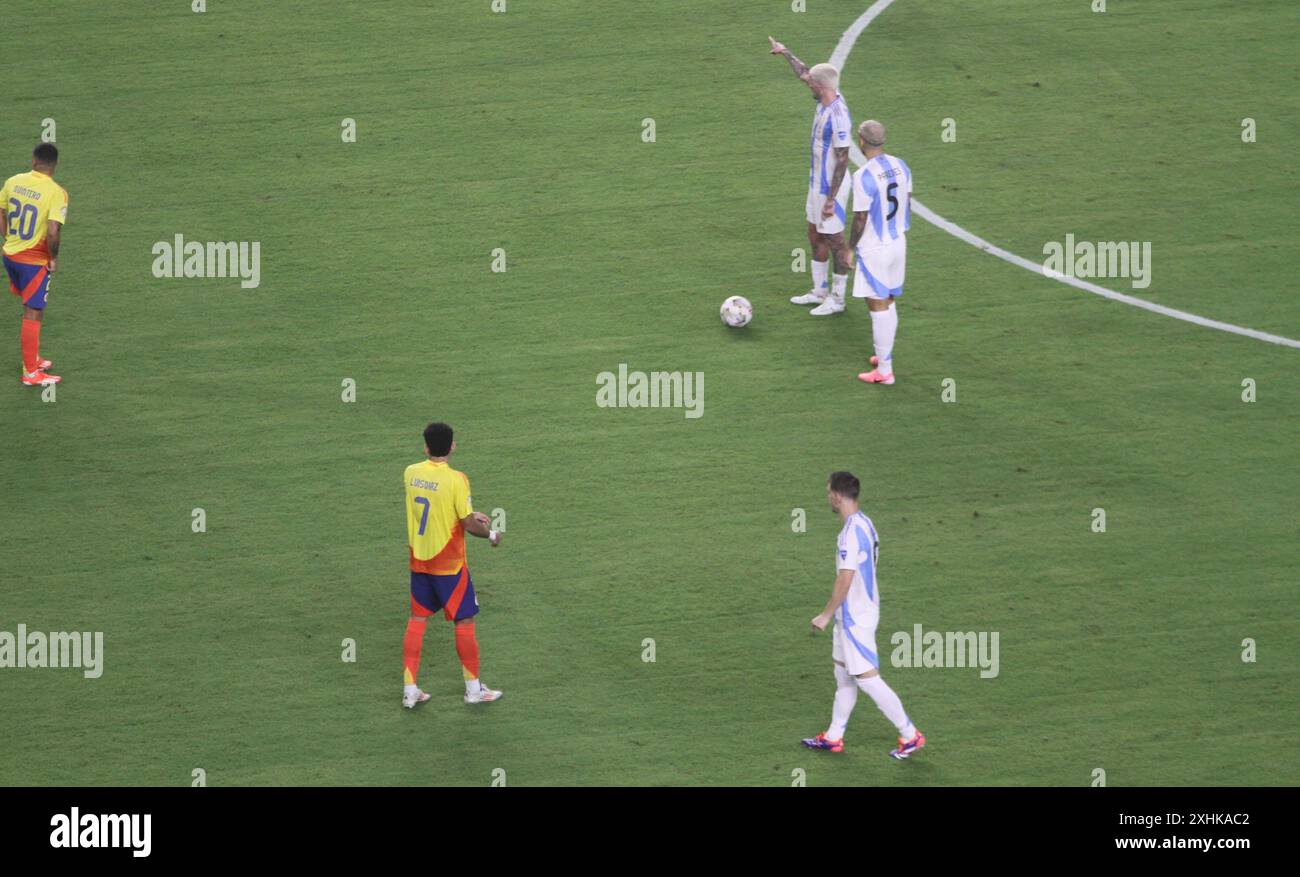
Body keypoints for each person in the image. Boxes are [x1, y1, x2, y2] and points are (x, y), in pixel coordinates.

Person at [803, 471, 925, 759]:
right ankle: (834, 737)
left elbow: (845, 578)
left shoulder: (849, 534)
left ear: (836, 495)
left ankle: (910, 735)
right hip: (856, 613)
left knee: (867, 678)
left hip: (855, 617)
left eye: (828, 492)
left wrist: (825, 615)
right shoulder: (866, 524)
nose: (827, 497)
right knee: (843, 674)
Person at [401, 422, 504, 709]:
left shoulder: (411, 473)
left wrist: (467, 511)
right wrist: (492, 534)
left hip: (419, 561)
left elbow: (434, 505)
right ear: (453, 446)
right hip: (449, 566)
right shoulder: (457, 479)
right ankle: (473, 689)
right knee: (464, 620)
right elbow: (468, 525)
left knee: (417, 619)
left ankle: (410, 689)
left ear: (425, 446)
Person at [769, 37, 853, 315]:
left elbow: (843, 158)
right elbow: (804, 72)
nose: (808, 85)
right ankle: (819, 291)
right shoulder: (824, 96)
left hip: (832, 188)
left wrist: (831, 199)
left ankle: (838, 300)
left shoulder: (839, 116)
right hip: (817, 184)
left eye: (812, 85)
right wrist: (785, 52)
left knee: (836, 241)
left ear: (822, 87)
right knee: (814, 234)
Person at [845, 120, 912, 385]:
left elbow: (860, 218)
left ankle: (885, 371)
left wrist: (850, 248)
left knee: (877, 305)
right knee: (889, 299)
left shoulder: (863, 176)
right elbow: (909, 199)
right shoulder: (901, 165)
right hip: (898, 243)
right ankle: (884, 354)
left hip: (875, 248)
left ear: (861, 141)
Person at [2, 143, 69, 386]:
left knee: (32, 307)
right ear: (55, 165)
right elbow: (53, 230)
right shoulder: (56, 192)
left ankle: (34, 358)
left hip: (10, 255)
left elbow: (1, 209)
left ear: (34, 161)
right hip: (33, 262)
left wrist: (8, 237)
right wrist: (52, 258)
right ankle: (30, 373)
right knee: (34, 310)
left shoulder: (13, 181)